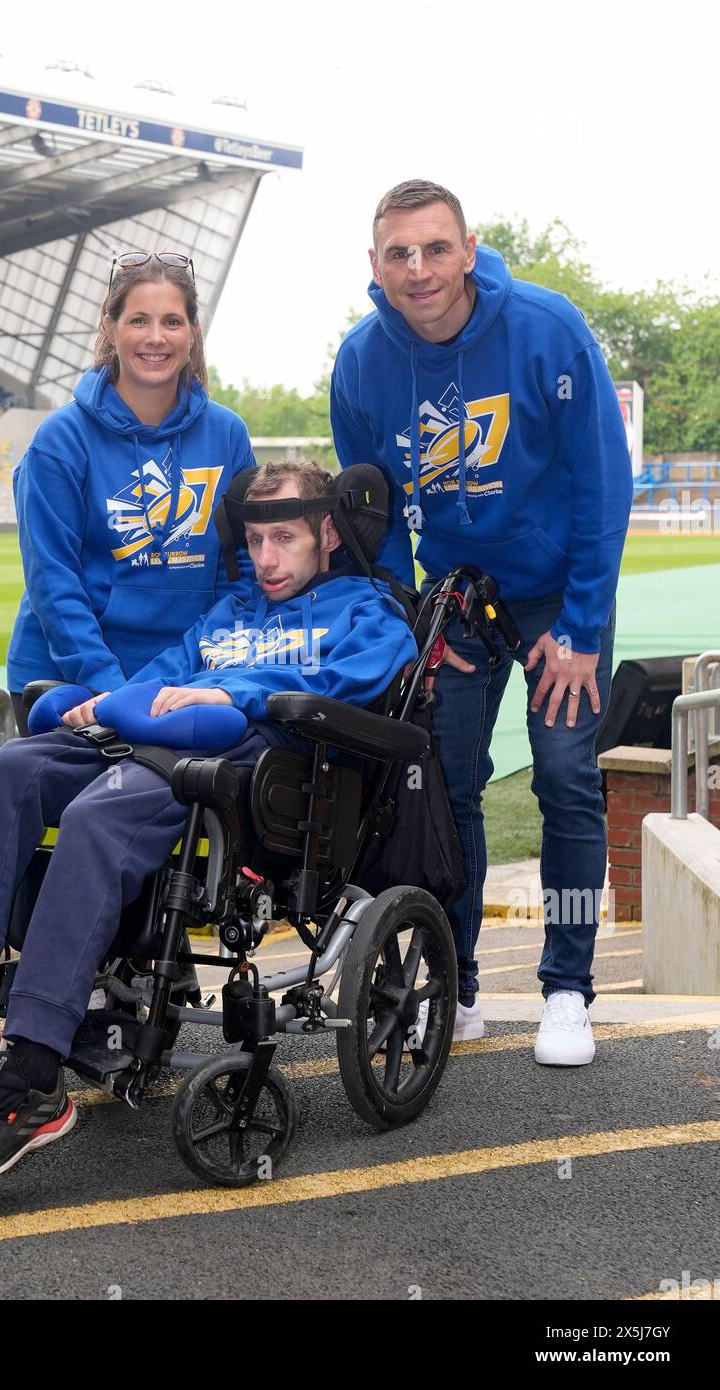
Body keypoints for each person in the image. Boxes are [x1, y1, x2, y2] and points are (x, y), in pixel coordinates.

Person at [0, 460, 417, 1182]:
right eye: (254, 541)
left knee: (99, 813)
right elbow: (160, 675)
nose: (266, 559)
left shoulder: (366, 609)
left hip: (248, 770)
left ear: (327, 532)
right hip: (157, 745)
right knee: (9, 769)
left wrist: (234, 697)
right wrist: (104, 702)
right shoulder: (230, 612)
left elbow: (359, 678)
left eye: (284, 538)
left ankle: (32, 1068)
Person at [330, 179, 633, 1066]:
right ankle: (455, 983)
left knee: (567, 777)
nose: (418, 270)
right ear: (376, 266)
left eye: (433, 249)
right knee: (443, 780)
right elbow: (367, 515)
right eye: (398, 253)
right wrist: (404, 623)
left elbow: (601, 486)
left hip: (556, 596)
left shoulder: (546, 328)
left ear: (467, 250)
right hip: (454, 596)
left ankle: (568, 987)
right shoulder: (360, 360)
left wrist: (578, 627)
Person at [6, 250, 255, 737]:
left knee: (179, 812)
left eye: (172, 321)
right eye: (139, 320)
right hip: (69, 679)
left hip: (185, 683)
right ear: (111, 326)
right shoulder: (59, 441)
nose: (156, 338)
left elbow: (243, 569)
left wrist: (202, 670)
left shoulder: (229, 435)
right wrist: (111, 689)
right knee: (84, 811)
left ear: (192, 332)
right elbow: (53, 582)